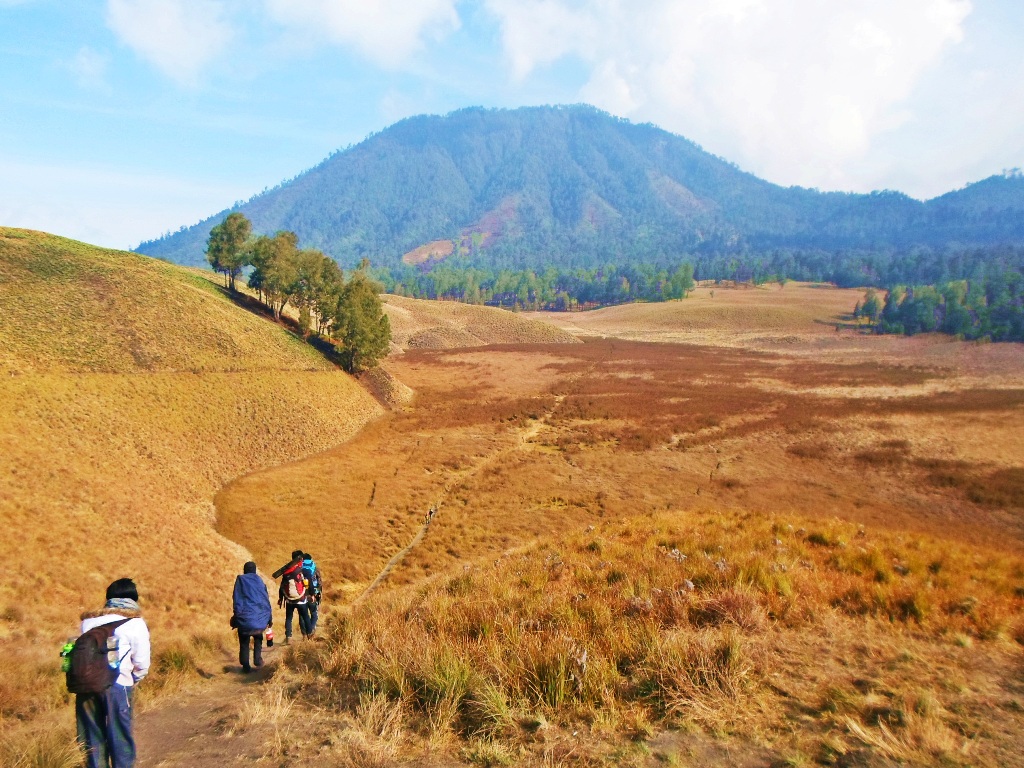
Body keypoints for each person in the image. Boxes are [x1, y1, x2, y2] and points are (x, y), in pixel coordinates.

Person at [75, 577, 151, 768]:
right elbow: (142, 663)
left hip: (86, 685)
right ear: (133, 598)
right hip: (118, 685)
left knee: (93, 738)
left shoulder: (88, 622)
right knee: (120, 736)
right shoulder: (135, 623)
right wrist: (132, 680)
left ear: (108, 598)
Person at [231, 561, 272, 673]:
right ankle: (257, 660)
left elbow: (237, 599)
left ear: (245, 570)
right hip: (259, 618)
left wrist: (237, 616)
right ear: (254, 570)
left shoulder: (240, 580)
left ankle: (245, 665)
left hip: (244, 618)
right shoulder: (260, 581)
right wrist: (269, 619)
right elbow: (266, 602)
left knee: (244, 640)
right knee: (258, 638)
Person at [277, 550, 312, 642]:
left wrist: (281, 598)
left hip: (289, 599)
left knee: (289, 618)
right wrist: (311, 594)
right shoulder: (302, 569)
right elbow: (309, 583)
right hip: (301, 598)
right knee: (305, 616)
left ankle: (288, 636)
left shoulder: (286, 572)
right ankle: (309, 635)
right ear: (300, 558)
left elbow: (282, 586)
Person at [301, 552, 323, 635]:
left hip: (302, 593)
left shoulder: (300, 567)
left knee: (303, 614)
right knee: (314, 613)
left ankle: (304, 633)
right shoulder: (314, 567)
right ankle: (312, 628)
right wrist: (318, 592)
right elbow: (319, 581)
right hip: (313, 593)